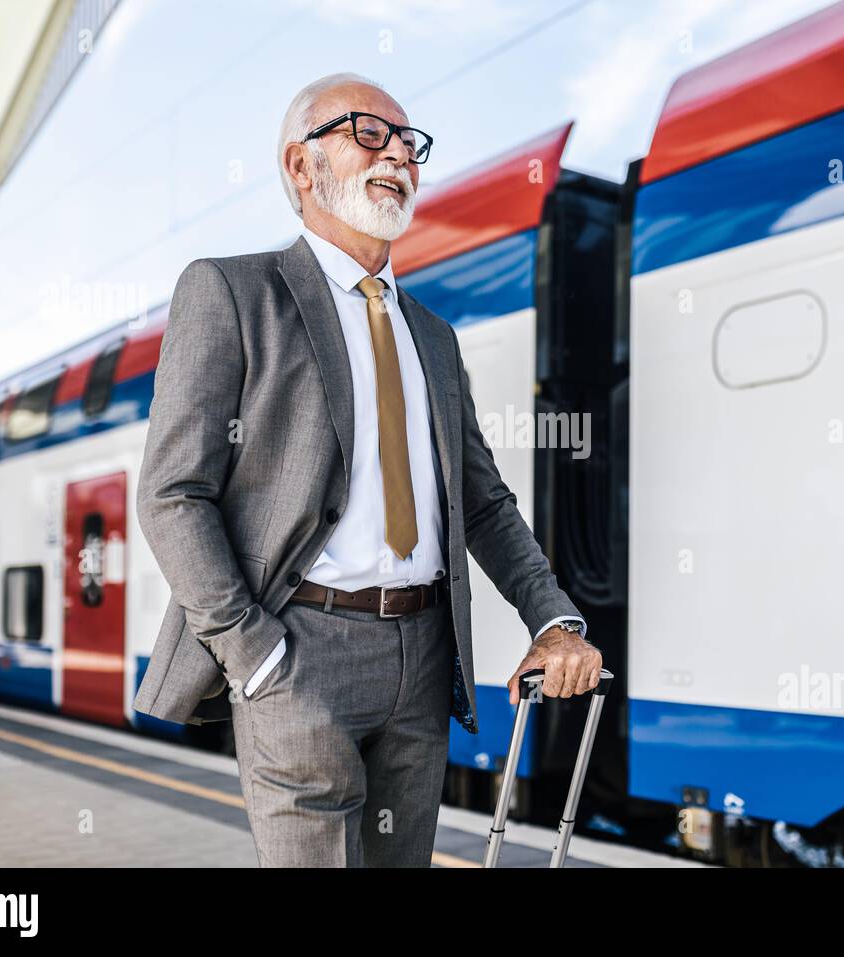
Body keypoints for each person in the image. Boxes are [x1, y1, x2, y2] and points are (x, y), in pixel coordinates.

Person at [131, 72, 601, 867]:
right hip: (299, 649)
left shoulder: (434, 337)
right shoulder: (232, 292)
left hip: (423, 658)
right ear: (299, 164)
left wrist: (553, 619)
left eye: (410, 145)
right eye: (368, 134)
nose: (399, 158)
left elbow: (482, 505)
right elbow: (173, 493)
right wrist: (255, 653)